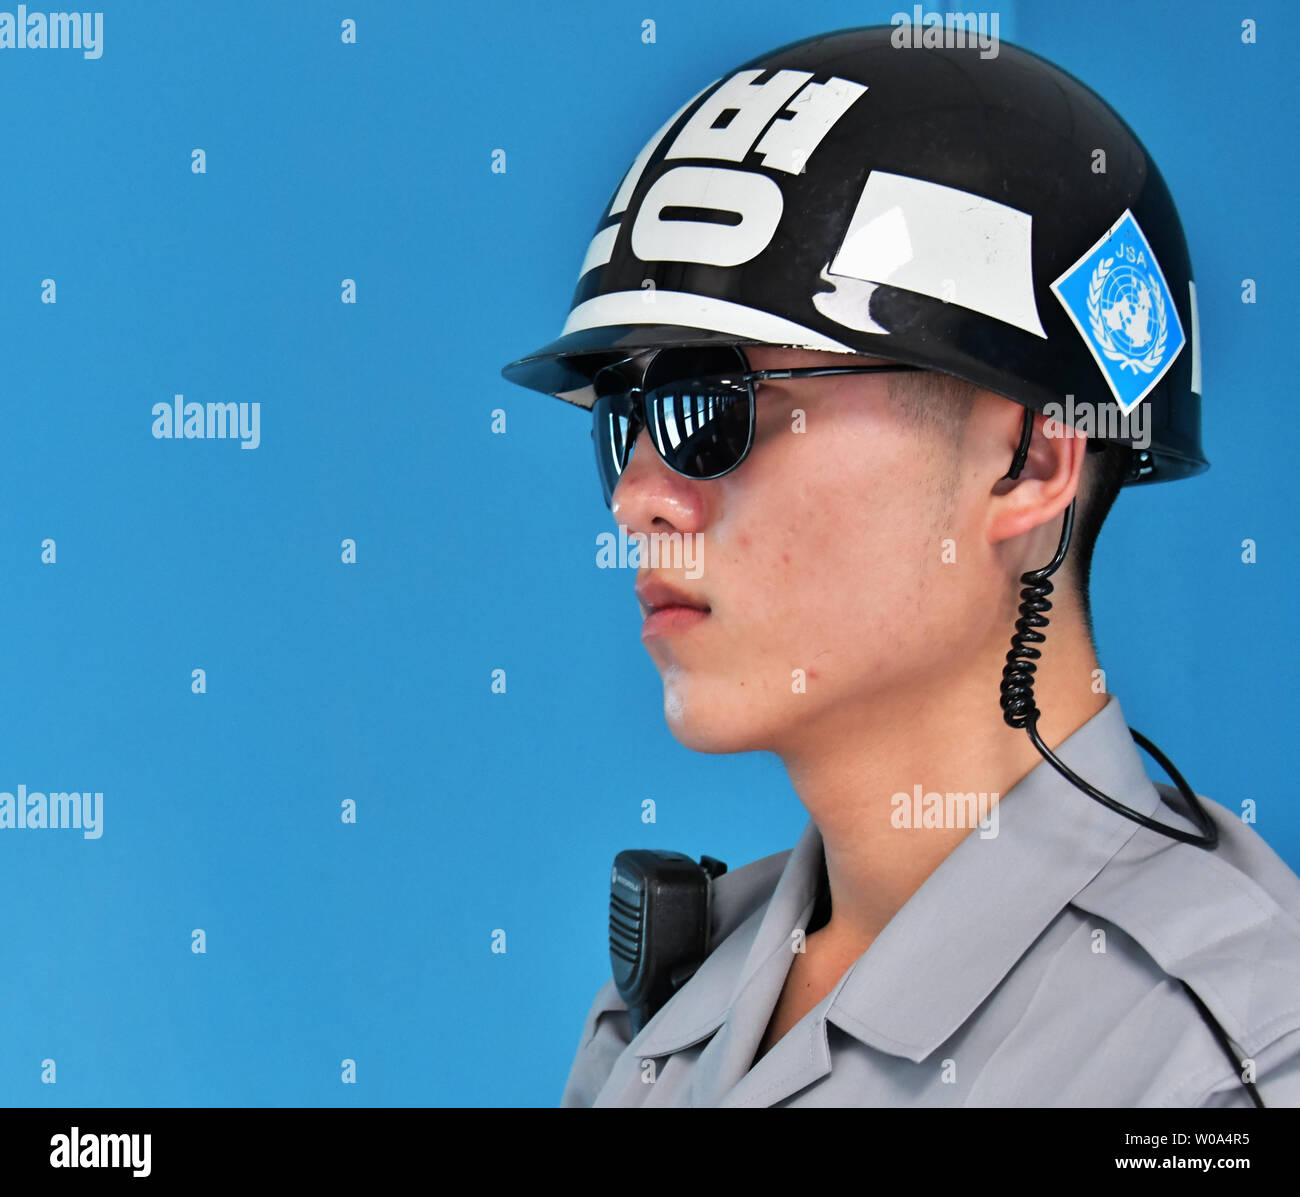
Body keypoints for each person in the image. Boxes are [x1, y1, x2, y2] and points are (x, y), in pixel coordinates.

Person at [500, 25, 1300, 1107]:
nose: (641, 496)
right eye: (622, 420)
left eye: (713, 407)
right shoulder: (671, 1018)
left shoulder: (1227, 1056)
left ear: (1026, 464)